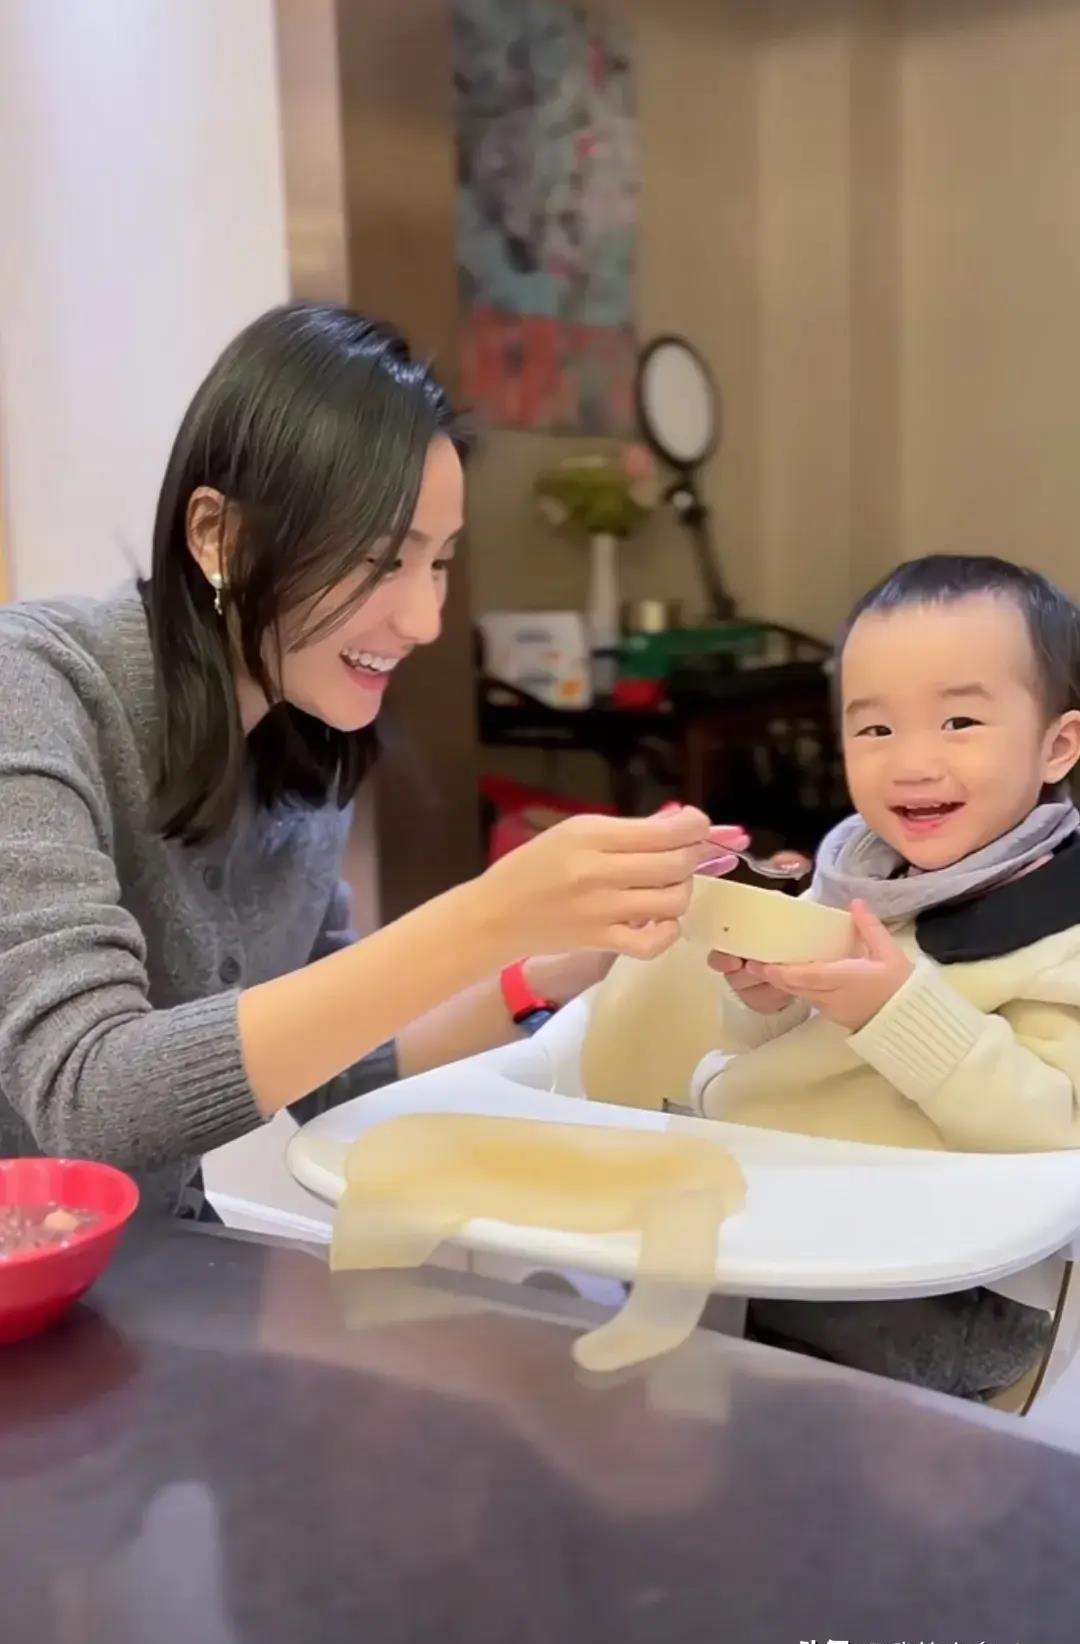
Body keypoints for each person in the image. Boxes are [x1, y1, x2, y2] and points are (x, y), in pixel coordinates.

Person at [0, 302, 740, 1217]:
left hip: (140, 1278)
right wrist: (488, 916)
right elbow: (87, 1098)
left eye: (439, 563)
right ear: (217, 538)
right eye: (382, 560)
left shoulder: (299, 740)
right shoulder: (30, 689)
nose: (426, 620)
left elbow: (329, 1072)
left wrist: (545, 964)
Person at [694, 554, 1080, 1398]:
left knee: (674, 1311)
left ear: (1057, 746)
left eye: (958, 724)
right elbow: (787, 1060)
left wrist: (900, 1007)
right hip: (792, 1207)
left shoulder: (1060, 921)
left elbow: (1056, 1128)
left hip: (950, 1285)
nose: (911, 763)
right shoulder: (863, 878)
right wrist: (763, 997)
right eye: (875, 730)